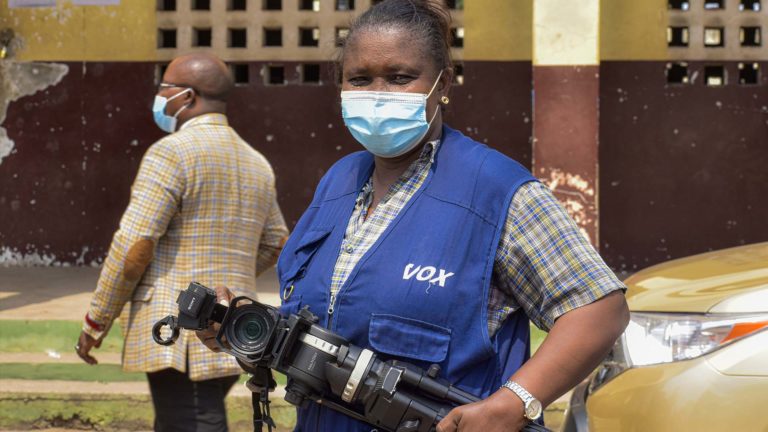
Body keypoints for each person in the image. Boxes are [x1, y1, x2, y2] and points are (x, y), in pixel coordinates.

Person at [199, 1, 629, 431]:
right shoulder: (338, 183)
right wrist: (241, 330)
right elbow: (313, 323)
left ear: (443, 85)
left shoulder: (495, 188)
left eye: (401, 77)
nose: (378, 93)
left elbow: (598, 310)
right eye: (360, 79)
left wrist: (511, 404)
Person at [75, 53, 289, 432]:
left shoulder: (170, 152)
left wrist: (97, 320)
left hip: (178, 326)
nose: (159, 95)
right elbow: (277, 242)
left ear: (187, 97)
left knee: (193, 419)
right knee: (185, 417)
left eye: (165, 87)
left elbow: (135, 247)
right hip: (232, 325)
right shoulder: (256, 162)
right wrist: (231, 278)